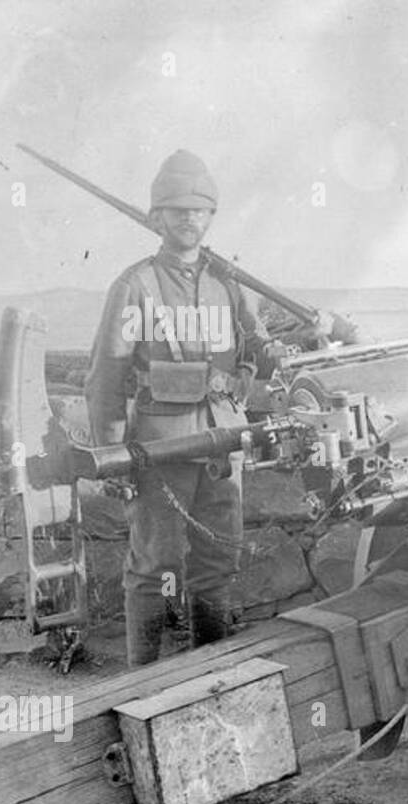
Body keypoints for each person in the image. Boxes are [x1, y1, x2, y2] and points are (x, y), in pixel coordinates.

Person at [85, 150, 278, 666]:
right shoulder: (135, 286)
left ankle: (206, 679)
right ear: (157, 218)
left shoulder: (231, 283)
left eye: (200, 211)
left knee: (218, 561)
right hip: (160, 447)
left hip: (225, 440)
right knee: (155, 565)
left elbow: (260, 347)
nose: (189, 219)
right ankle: (140, 684)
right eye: (177, 210)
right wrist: (111, 454)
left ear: (211, 217)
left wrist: (286, 346)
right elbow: (106, 378)